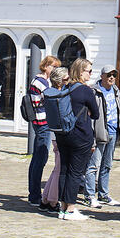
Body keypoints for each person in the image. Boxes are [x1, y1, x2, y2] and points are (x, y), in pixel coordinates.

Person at [56, 57, 99, 221]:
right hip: (80, 135)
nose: (90, 74)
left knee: (64, 170)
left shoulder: (66, 88)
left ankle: (62, 208)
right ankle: (71, 209)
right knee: (75, 172)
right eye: (89, 71)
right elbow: (96, 113)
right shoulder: (86, 91)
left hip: (63, 134)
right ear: (81, 72)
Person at [85, 65, 120, 208]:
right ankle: (89, 195)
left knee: (107, 165)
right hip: (100, 133)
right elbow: (90, 116)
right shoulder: (94, 92)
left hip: (113, 132)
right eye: (109, 75)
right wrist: (92, 136)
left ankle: (103, 194)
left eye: (114, 75)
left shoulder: (115, 91)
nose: (112, 77)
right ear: (102, 76)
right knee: (93, 165)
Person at [27, 54, 61, 209]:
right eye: (53, 66)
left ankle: (34, 193)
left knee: (39, 157)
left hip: (44, 122)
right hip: (42, 123)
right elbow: (47, 99)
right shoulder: (40, 82)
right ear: (46, 66)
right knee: (39, 158)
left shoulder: (44, 81)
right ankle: (34, 194)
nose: (55, 69)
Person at [40, 66, 70, 213]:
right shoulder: (59, 95)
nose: (69, 81)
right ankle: (52, 201)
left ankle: (45, 198)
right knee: (59, 168)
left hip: (54, 133)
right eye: (66, 79)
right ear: (60, 81)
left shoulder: (49, 93)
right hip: (59, 134)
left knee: (56, 168)